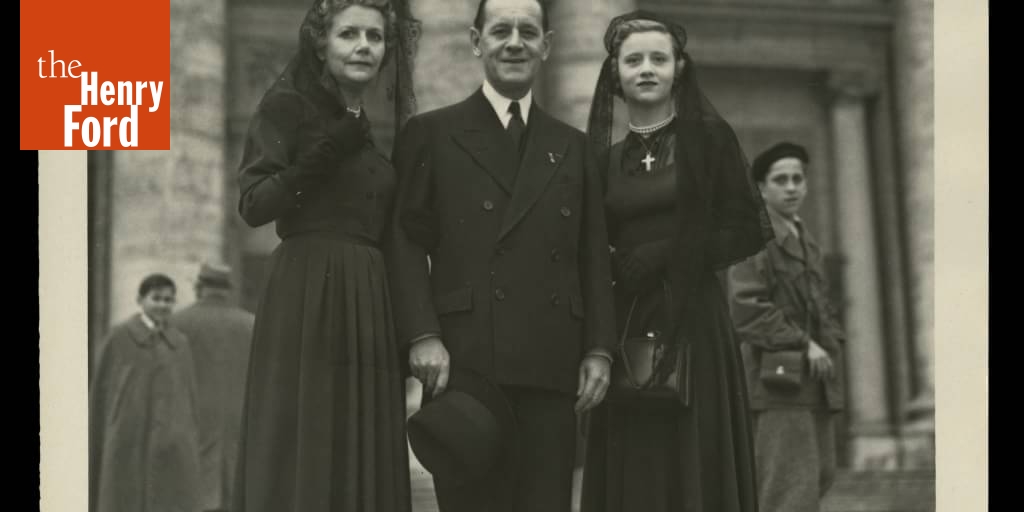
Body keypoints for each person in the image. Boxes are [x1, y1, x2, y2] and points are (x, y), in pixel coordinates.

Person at [386, 0, 618, 509]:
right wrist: (423, 336)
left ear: (547, 47)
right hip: (465, 362)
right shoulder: (431, 132)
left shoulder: (574, 146)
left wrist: (600, 348)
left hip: (551, 367)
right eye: (501, 31)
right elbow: (404, 244)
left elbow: (593, 258)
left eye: (528, 32)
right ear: (476, 42)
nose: (515, 42)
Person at [579, 10, 775, 512]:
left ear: (678, 69)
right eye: (633, 59)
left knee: (696, 457)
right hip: (627, 322)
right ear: (615, 74)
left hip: (694, 322)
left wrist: (667, 252)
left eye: (658, 59)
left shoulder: (709, 142)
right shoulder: (603, 160)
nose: (646, 68)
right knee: (637, 461)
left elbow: (747, 228)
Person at [231, 0, 420, 511]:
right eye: (349, 34)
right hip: (309, 294)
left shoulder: (367, 117)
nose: (364, 46)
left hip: (367, 300)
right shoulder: (287, 104)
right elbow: (253, 205)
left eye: (375, 37)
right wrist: (325, 154)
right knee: (306, 443)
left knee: (361, 444)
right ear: (321, 43)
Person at [727, 142, 847, 512]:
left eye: (798, 179)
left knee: (818, 478)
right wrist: (804, 343)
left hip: (814, 383)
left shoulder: (803, 238)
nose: (792, 187)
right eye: (781, 180)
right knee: (787, 490)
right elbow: (745, 309)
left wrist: (832, 342)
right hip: (777, 382)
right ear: (762, 188)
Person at [89, 273, 202, 512]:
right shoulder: (119, 339)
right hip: (129, 438)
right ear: (140, 300)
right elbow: (105, 393)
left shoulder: (179, 343)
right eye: (156, 298)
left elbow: (188, 396)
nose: (163, 305)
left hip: (170, 443)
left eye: (169, 300)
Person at [170, 262, 255, 512]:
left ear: (198, 287)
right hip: (238, 427)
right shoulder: (251, 324)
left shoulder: (176, 323)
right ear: (229, 289)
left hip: (189, 426)